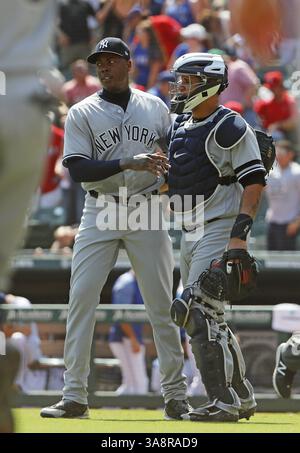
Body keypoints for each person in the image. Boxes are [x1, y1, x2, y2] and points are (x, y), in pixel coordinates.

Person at [40, 37, 189, 420]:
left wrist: (171, 176)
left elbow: (177, 153)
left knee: (161, 305)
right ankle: (74, 396)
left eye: (110, 60)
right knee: (82, 299)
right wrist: (128, 163)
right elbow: (77, 168)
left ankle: (175, 396)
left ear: (127, 64)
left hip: (146, 208)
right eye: (98, 62)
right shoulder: (82, 111)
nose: (103, 67)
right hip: (101, 206)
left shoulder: (154, 106)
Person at [167, 52, 266, 421]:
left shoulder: (230, 125)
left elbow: (254, 182)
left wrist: (238, 238)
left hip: (220, 226)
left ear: (209, 84)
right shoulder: (180, 123)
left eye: (188, 81)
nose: (180, 87)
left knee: (195, 311)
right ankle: (241, 396)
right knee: (212, 318)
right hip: (189, 229)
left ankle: (222, 401)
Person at [109, 270, 149, 395]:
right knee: (139, 382)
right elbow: (121, 315)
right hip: (125, 338)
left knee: (130, 383)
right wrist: (133, 339)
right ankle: (140, 411)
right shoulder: (127, 282)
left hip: (128, 338)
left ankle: (111, 408)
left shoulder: (136, 281)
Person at [265, 140, 300, 251]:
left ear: (290, 154)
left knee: (288, 263)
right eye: (277, 154)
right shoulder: (271, 172)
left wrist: (297, 222)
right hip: (272, 223)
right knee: (271, 261)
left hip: (290, 224)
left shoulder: (297, 172)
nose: (279, 156)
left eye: (282, 153)